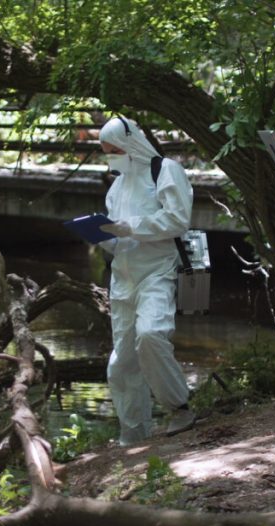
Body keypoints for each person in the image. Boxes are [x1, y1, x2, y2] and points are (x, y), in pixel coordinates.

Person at [96, 116, 196, 446]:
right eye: (106, 152)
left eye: (114, 150)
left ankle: (179, 406)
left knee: (151, 336)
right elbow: (118, 239)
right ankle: (134, 435)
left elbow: (178, 219)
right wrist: (102, 236)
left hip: (157, 272)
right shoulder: (116, 186)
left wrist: (132, 225)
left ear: (130, 144)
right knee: (122, 363)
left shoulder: (165, 170)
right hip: (123, 281)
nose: (111, 157)